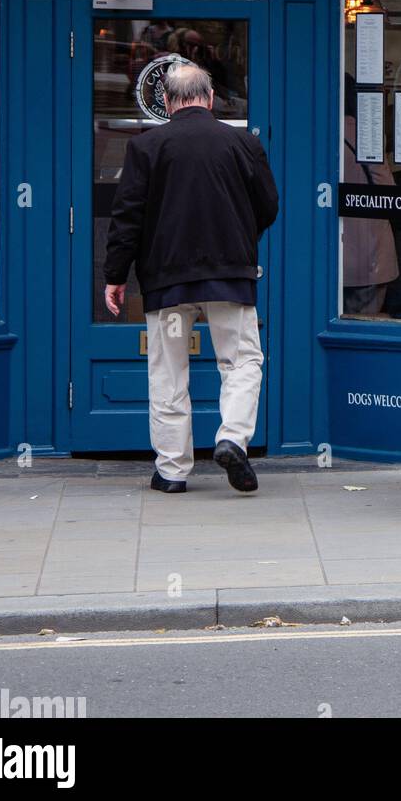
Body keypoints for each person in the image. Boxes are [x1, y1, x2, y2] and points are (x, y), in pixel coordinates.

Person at [103, 60, 279, 495]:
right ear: (211, 98)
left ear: (166, 101)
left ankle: (172, 471)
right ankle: (232, 437)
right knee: (241, 361)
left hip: (168, 282)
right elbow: (269, 206)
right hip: (228, 277)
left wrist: (115, 275)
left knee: (168, 371)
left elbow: (127, 217)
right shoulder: (242, 143)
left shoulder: (146, 147)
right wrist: (239, 236)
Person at [342, 74, 399, 315]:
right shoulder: (365, 134)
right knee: (362, 320)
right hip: (368, 254)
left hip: (333, 255)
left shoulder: (313, 134)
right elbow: (386, 190)